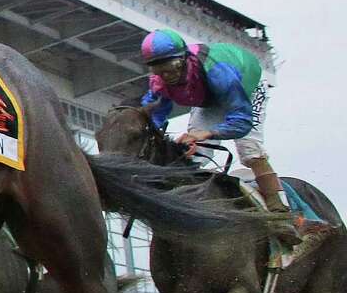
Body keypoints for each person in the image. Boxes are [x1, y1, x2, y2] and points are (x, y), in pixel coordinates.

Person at [139, 28, 332, 261]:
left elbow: (241, 122)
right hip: (209, 97)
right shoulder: (159, 82)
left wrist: (206, 134)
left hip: (245, 89)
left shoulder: (220, 73)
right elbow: (153, 118)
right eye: (158, 69)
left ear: (183, 60)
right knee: (192, 156)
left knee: (249, 150)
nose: (167, 75)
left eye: (171, 67)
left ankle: (284, 217)